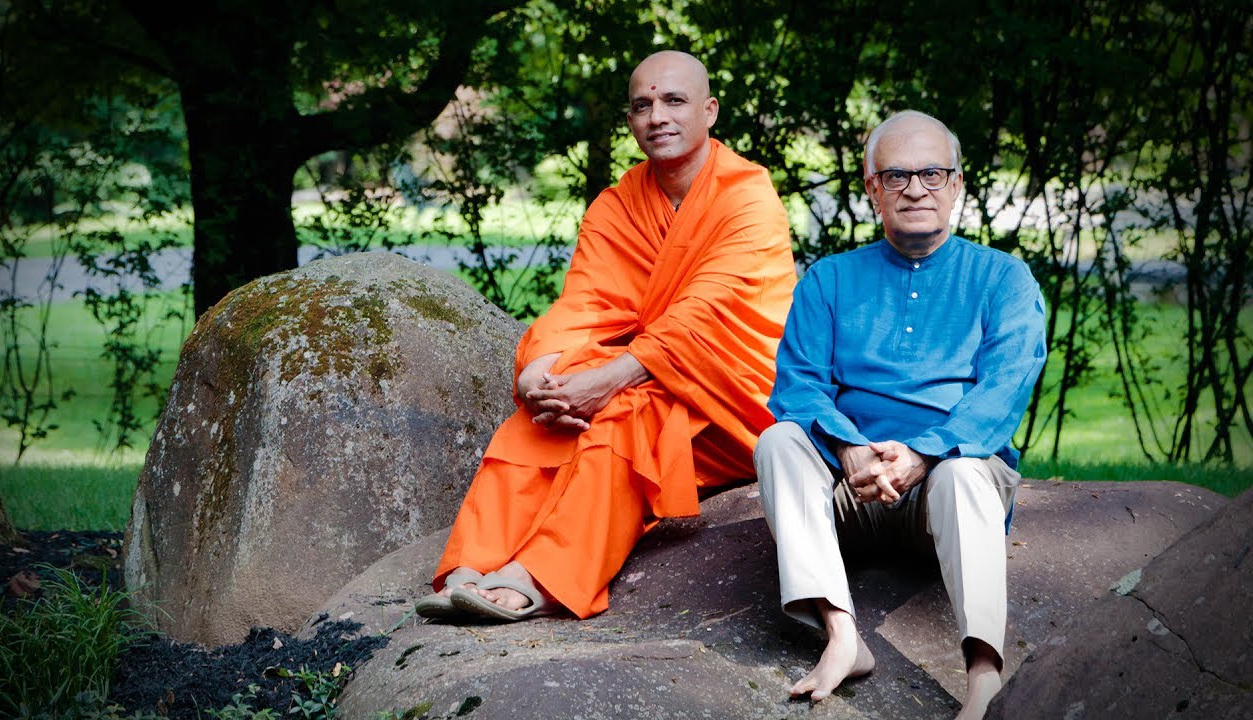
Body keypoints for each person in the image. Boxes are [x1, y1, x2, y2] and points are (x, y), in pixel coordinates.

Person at [415, 50, 797, 623]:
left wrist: (606, 381)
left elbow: (704, 316)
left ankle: (541, 576)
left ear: (710, 110)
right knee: (538, 419)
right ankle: (472, 562)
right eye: (642, 105)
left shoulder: (748, 197)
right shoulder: (618, 205)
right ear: (630, 121)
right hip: (653, 378)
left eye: (674, 101)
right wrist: (539, 373)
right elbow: (584, 303)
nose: (657, 116)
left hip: (731, 402)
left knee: (622, 414)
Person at [754, 110, 1047, 719]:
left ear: (959, 183)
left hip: (946, 490)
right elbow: (798, 384)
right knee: (779, 439)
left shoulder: (1002, 277)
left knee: (967, 472)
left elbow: (1005, 387)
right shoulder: (829, 280)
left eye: (933, 174)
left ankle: (984, 675)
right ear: (872, 189)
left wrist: (925, 453)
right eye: (897, 176)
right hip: (850, 490)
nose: (916, 189)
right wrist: (849, 447)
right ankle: (841, 637)